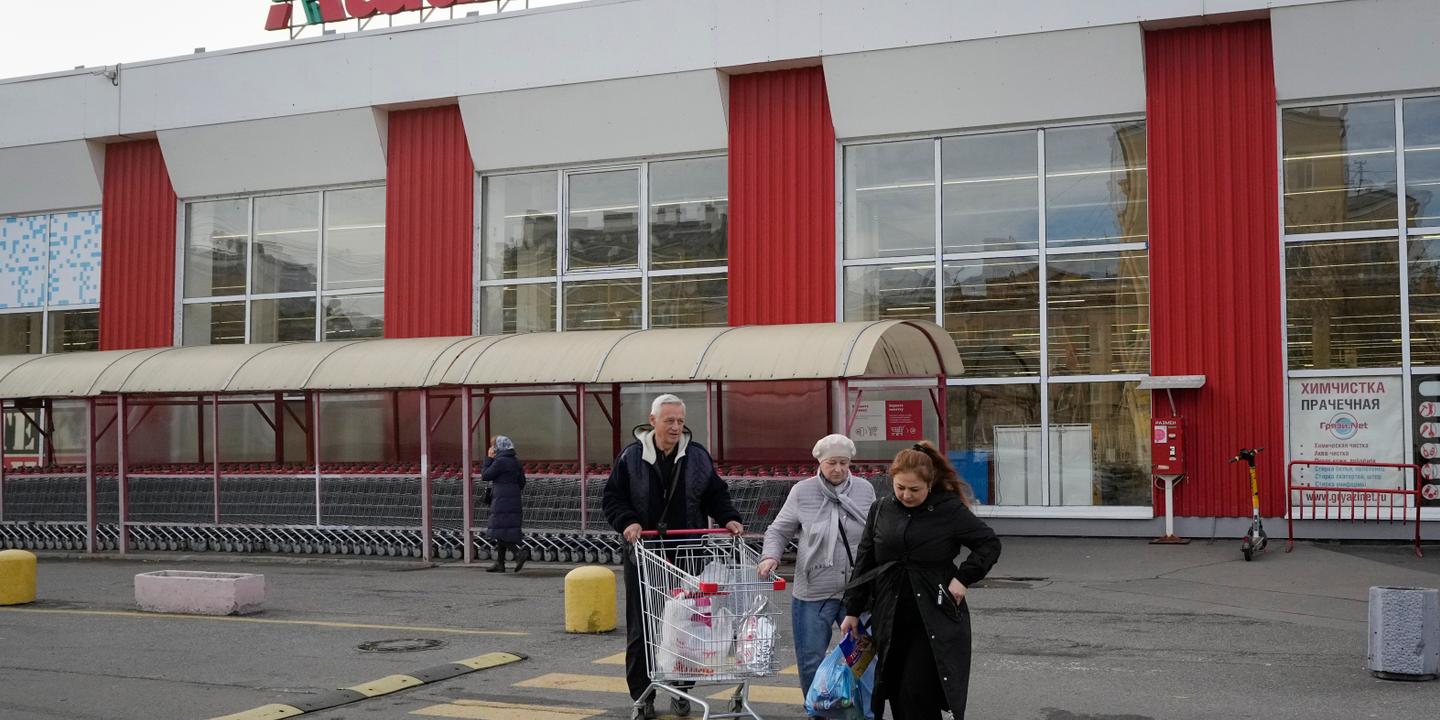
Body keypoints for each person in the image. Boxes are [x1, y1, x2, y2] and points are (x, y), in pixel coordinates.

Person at [603, 394, 744, 720]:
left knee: (688, 625)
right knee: (642, 628)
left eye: (680, 421)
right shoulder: (631, 457)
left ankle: (682, 689)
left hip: (687, 551)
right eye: (669, 421)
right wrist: (628, 522)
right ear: (653, 421)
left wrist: (729, 517)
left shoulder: (696, 456)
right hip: (644, 553)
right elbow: (612, 498)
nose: (676, 427)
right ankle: (642, 697)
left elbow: (714, 494)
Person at [840, 442, 1001, 720]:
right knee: (895, 692)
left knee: (916, 692)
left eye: (915, 489)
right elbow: (865, 561)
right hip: (889, 616)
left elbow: (989, 543)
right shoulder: (881, 509)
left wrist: (963, 578)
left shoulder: (948, 510)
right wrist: (852, 610)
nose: (905, 495)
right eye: (900, 487)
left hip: (933, 616)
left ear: (930, 484)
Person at [757, 434, 876, 713]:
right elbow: (779, 529)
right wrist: (770, 556)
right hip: (814, 590)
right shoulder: (802, 491)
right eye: (831, 463)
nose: (838, 469)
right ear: (820, 462)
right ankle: (819, 711)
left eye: (844, 463)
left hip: (857, 590)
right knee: (811, 660)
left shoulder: (864, 490)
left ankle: (866, 714)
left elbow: (877, 531)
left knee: (864, 661)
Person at [481, 435, 529, 573]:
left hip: (501, 498)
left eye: (493, 446)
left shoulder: (500, 461)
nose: (492, 448)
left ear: (498, 447)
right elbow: (522, 482)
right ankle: (500, 563)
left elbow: (485, 475)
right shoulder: (515, 461)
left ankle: (517, 553)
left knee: (498, 529)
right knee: (502, 529)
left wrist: (488, 458)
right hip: (513, 497)